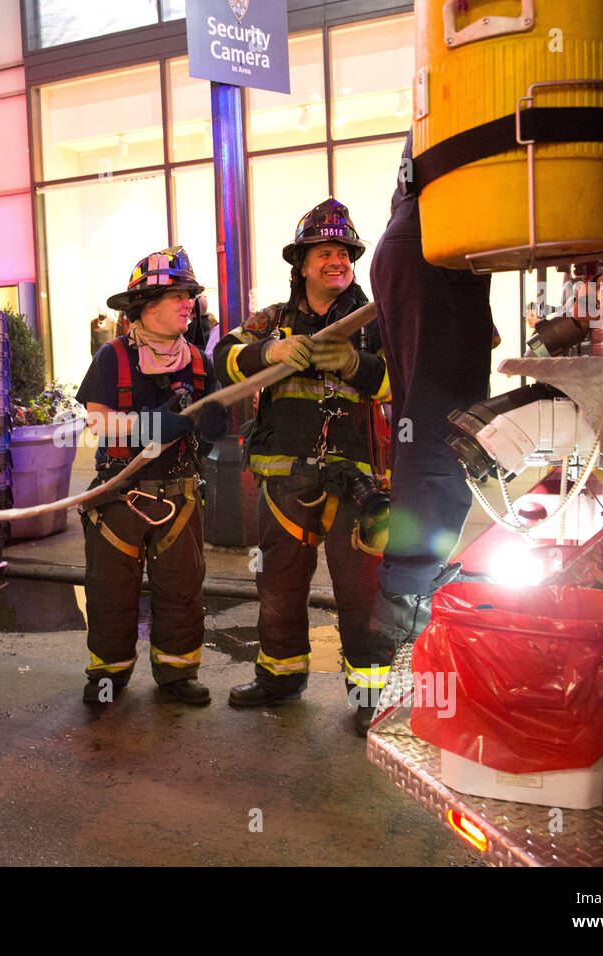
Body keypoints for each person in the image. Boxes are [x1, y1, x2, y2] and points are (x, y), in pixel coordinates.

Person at [213, 199, 391, 732]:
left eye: (344, 252)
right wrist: (266, 353)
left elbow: (403, 383)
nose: (336, 260)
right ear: (302, 264)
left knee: (362, 592)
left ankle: (370, 696)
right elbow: (222, 358)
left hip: (359, 482)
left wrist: (360, 366)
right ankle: (280, 677)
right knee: (280, 586)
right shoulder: (272, 321)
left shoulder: (375, 323)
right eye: (324, 253)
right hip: (285, 476)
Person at [364, 133, 495, 668]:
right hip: (434, 236)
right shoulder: (469, 100)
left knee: (437, 415)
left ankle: (415, 580)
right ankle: (413, 591)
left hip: (430, 237)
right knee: (439, 419)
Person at [75, 247, 220, 707]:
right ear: (148, 305)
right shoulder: (112, 358)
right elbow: (96, 422)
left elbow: (213, 420)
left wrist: (216, 424)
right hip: (120, 496)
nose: (188, 304)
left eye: (190, 296)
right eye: (178, 295)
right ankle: (108, 676)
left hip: (179, 496)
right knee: (110, 592)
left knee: (182, 590)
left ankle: (177, 676)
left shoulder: (197, 360)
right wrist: (154, 425)